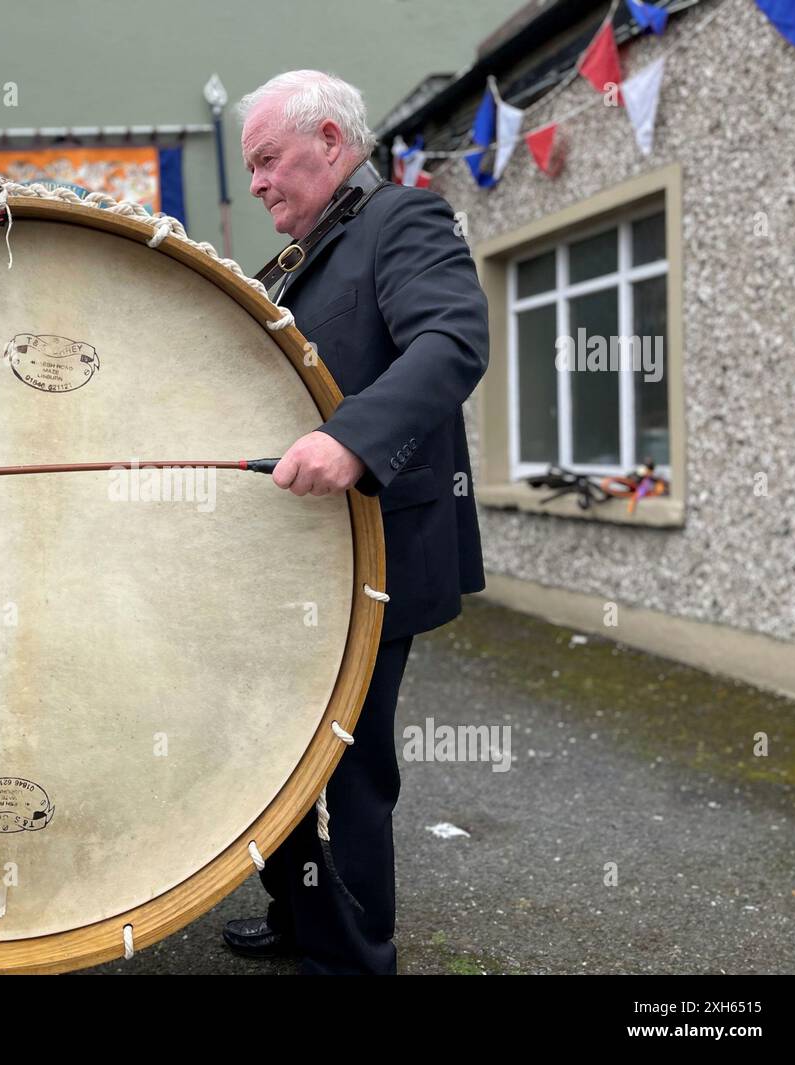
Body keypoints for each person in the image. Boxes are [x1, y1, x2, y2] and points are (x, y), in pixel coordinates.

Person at [221, 70, 489, 975]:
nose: (257, 182)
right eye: (251, 166)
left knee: (352, 765)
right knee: (281, 753)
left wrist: (352, 440)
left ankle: (358, 953)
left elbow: (452, 339)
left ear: (331, 141)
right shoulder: (302, 257)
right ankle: (302, 916)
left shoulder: (403, 219)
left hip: (378, 553)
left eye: (268, 159)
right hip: (298, 558)